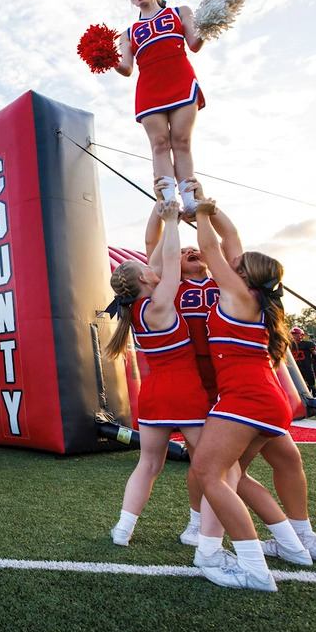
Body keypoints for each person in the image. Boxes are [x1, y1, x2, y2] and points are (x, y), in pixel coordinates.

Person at [145, 184, 316, 567]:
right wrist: (171, 213)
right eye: (182, 252)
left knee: (283, 459)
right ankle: (200, 526)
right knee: (215, 467)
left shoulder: (229, 282)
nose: (191, 252)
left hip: (240, 385)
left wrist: (205, 209)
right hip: (202, 383)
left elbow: (226, 241)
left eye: (195, 250)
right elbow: (157, 241)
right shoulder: (169, 283)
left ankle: (299, 535)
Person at [189, 197, 299, 591]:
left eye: (236, 263)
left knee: (208, 473)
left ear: (243, 274)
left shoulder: (237, 294)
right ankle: (293, 547)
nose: (229, 262)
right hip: (267, 401)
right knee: (231, 475)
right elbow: (230, 237)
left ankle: (252, 568)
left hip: (246, 400)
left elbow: (210, 249)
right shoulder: (255, 297)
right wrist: (208, 208)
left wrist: (200, 215)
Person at [104, 199, 216, 548]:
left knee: (148, 465)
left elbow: (154, 266)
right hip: (185, 391)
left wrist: (163, 211)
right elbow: (167, 262)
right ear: (144, 278)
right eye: (147, 270)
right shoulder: (160, 304)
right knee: (209, 468)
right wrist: (171, 223)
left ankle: (122, 528)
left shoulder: (134, 310)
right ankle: (201, 531)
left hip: (153, 393)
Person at [115, 0, 206, 220]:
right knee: (159, 144)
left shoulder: (179, 12)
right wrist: (107, 58)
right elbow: (127, 68)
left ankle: (190, 200)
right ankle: (168, 201)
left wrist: (210, 22)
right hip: (149, 86)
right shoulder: (129, 32)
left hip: (180, 79)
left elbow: (195, 44)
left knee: (182, 141)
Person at [291, 328, 316, 401]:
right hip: (296, 368)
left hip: (307, 367)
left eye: (296, 334)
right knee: (300, 385)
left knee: (313, 384)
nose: (294, 336)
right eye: (293, 334)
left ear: (301, 335)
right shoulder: (289, 345)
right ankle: (306, 400)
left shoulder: (307, 344)